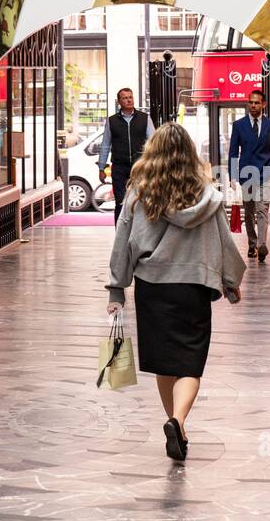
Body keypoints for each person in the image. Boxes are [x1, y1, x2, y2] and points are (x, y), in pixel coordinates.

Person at [106, 122, 245, 462]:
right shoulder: (208, 196)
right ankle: (178, 421)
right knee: (190, 363)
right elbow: (224, 240)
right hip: (193, 288)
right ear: (189, 154)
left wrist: (116, 289)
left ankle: (175, 423)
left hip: (152, 288)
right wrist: (230, 281)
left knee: (165, 363)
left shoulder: (139, 192)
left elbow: (122, 241)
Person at [228, 88, 270, 263]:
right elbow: (233, 152)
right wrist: (233, 176)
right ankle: (252, 244)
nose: (253, 105)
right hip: (246, 175)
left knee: (262, 210)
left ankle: (262, 245)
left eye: (256, 102)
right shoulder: (239, 125)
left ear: (263, 105)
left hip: (265, 173)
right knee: (249, 213)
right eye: (251, 102)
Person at [98, 86, 154, 225]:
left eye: (130, 97)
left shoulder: (144, 119)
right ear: (119, 102)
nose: (129, 100)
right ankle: (120, 234)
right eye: (125, 98)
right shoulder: (112, 121)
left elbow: (154, 143)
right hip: (119, 167)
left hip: (140, 167)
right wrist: (101, 168)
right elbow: (105, 145)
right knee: (120, 202)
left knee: (141, 201)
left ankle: (141, 233)